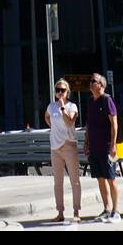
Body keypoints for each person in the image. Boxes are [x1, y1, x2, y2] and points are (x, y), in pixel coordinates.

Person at [45, 78, 81, 224]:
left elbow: (69, 122)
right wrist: (53, 127)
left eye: (62, 90)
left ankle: (76, 211)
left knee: (74, 181)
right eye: (57, 90)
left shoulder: (72, 106)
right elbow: (47, 118)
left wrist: (62, 107)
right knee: (57, 182)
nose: (59, 93)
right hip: (55, 147)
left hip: (68, 145)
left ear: (68, 92)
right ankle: (60, 212)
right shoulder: (50, 106)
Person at [86, 73, 120, 222]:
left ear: (101, 85)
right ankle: (106, 209)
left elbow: (114, 124)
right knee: (100, 178)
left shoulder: (107, 100)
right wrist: (86, 142)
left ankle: (115, 211)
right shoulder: (91, 101)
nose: (90, 83)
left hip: (106, 146)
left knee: (111, 178)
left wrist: (113, 145)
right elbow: (88, 125)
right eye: (91, 81)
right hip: (94, 147)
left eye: (93, 81)